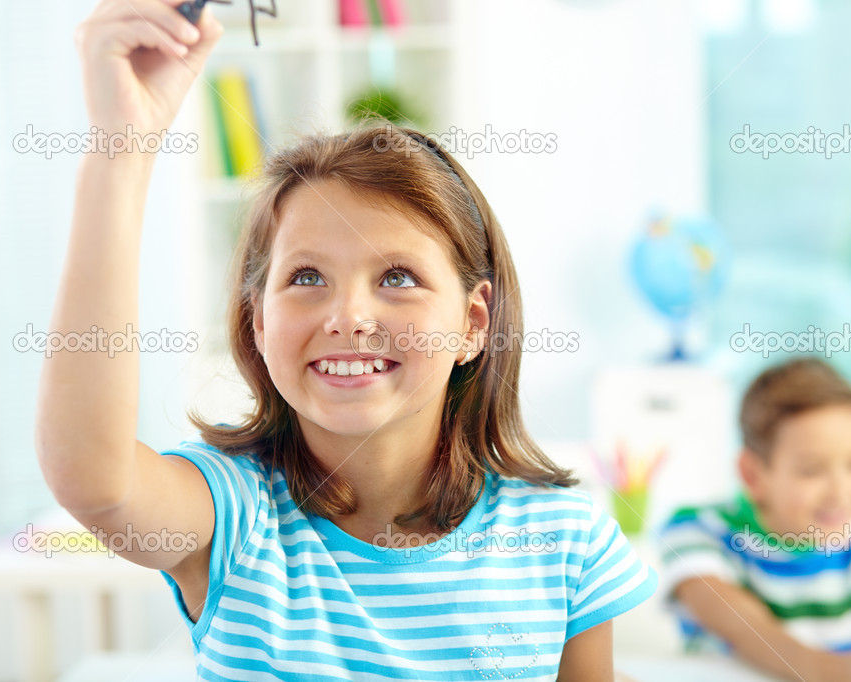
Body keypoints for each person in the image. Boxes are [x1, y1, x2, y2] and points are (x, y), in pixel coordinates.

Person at [35, 1, 656, 679]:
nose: (348, 315)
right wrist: (120, 148)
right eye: (306, 276)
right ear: (258, 322)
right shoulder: (233, 516)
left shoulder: (563, 538)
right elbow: (95, 481)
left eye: (396, 276)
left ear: (473, 324)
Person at [658, 357, 851, 682]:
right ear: (753, 475)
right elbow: (733, 619)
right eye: (811, 470)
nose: (839, 491)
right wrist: (824, 669)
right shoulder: (701, 531)